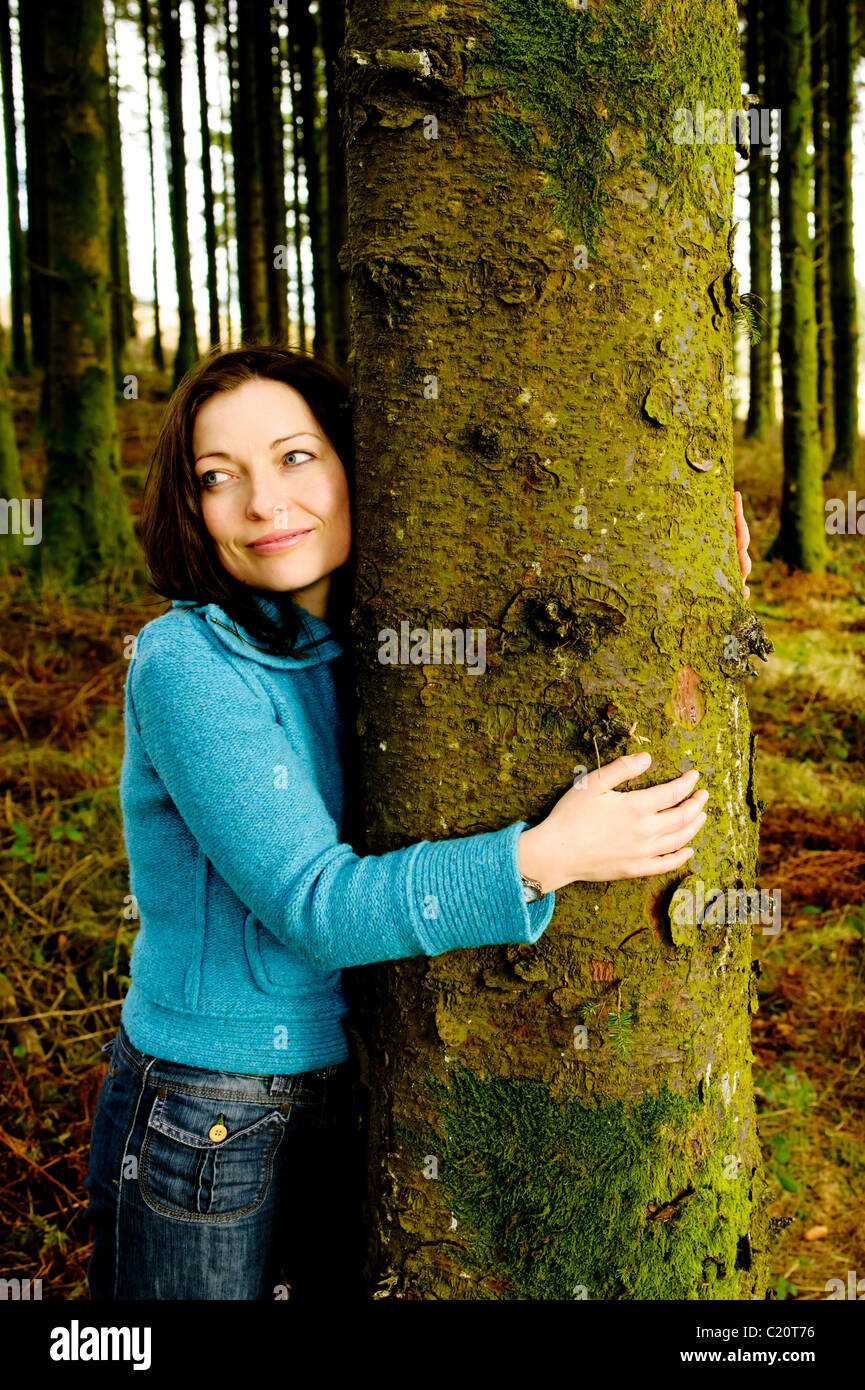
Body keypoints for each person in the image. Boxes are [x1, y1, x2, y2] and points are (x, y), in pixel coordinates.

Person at [84, 345, 753, 1301]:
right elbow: (316, 905)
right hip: (205, 1109)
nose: (265, 505)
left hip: (348, 1089)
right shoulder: (186, 662)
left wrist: (686, 576)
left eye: (295, 457)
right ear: (189, 508)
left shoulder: (368, 643)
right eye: (217, 478)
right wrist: (540, 858)